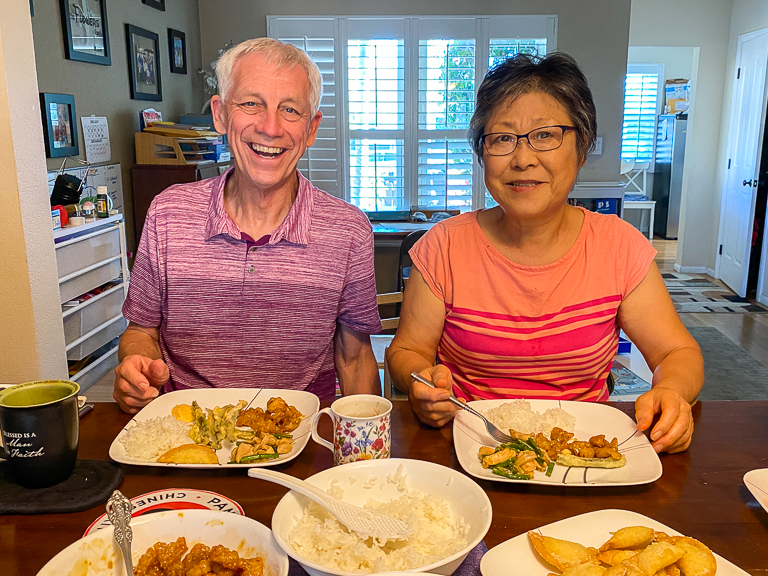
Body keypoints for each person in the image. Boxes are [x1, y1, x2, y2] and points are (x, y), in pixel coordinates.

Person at [386, 52, 704, 454]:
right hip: (471, 449)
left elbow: (678, 352)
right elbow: (406, 350)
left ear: (582, 147)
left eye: (545, 135)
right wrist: (421, 382)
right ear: (483, 153)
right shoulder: (444, 245)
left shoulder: (619, 247)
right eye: (502, 138)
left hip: (581, 453)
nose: (522, 159)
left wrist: (672, 391)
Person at [115, 38, 382, 413]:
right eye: (251, 104)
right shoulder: (168, 213)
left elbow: (354, 359)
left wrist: (368, 455)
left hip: (302, 441)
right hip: (185, 435)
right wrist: (136, 366)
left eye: (290, 109)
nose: (270, 128)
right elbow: (141, 330)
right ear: (221, 114)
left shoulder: (348, 230)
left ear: (311, 128)